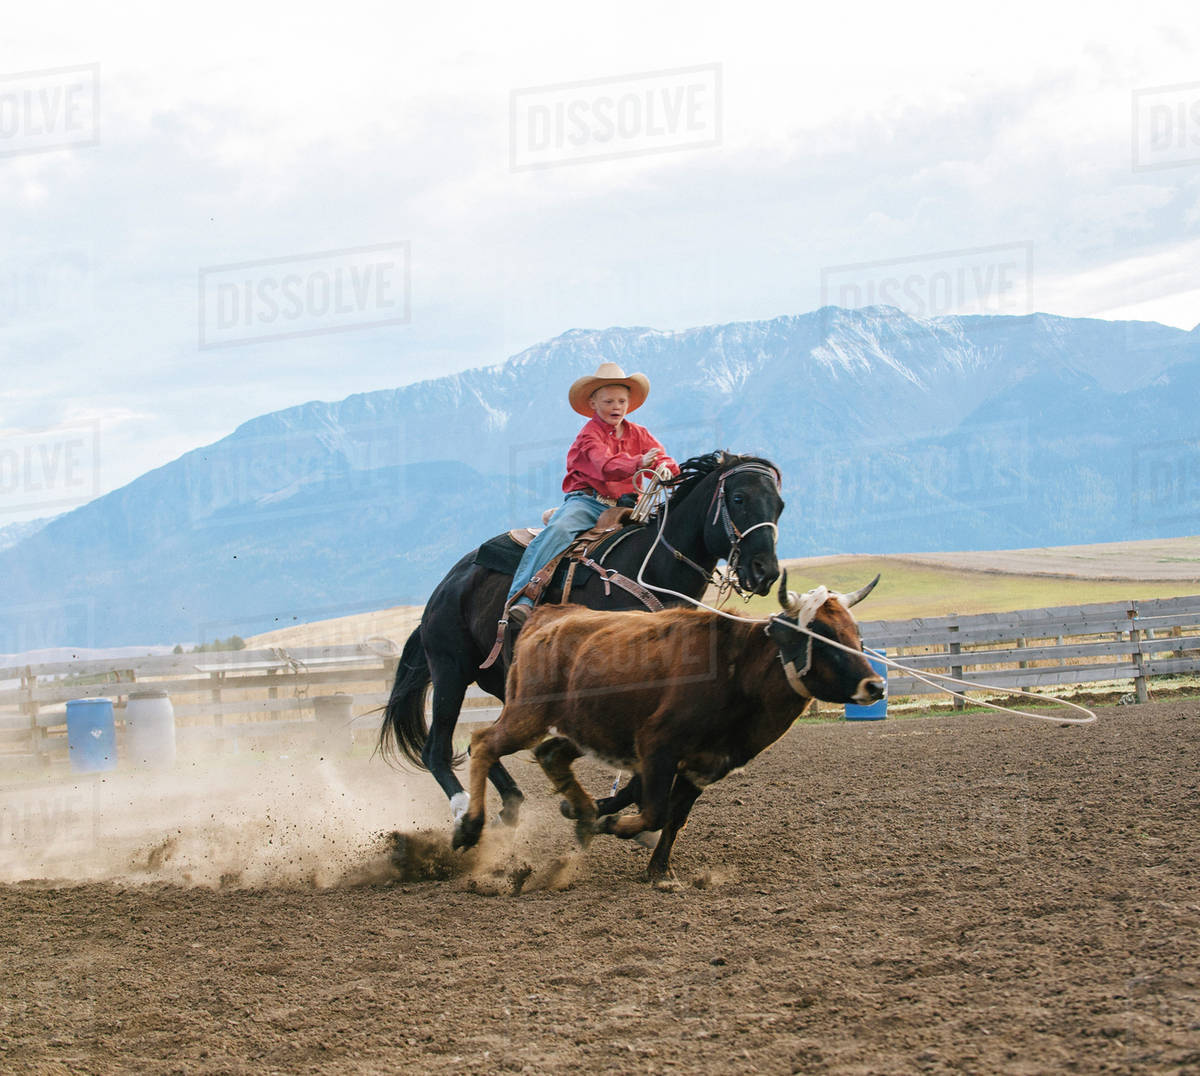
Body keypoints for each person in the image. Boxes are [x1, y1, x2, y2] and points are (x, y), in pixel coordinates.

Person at [505, 362, 679, 634]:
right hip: (588, 503)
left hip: (631, 505)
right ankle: (522, 598)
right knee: (559, 531)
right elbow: (605, 465)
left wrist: (667, 467)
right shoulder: (589, 435)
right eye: (608, 401)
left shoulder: (640, 433)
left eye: (621, 401)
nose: (616, 406)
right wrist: (638, 463)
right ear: (593, 402)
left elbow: (660, 456)